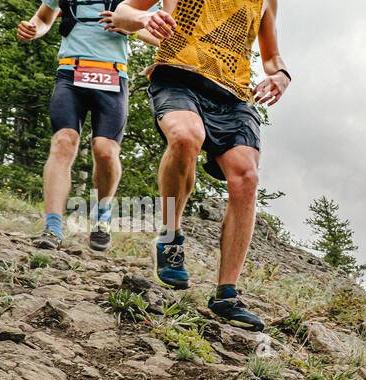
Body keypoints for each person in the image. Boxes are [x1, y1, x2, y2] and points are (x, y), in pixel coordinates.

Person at [111, 0, 290, 331]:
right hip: (179, 75)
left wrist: (281, 75)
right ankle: (170, 237)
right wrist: (144, 19)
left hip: (233, 95)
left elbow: (271, 58)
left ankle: (226, 295)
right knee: (184, 137)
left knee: (246, 177)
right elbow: (123, 12)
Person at [17, 0, 160, 251]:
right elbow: (43, 18)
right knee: (63, 142)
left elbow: (158, 32)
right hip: (70, 73)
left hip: (113, 75)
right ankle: (53, 227)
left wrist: (129, 25)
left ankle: (102, 215)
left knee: (105, 150)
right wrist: (32, 28)